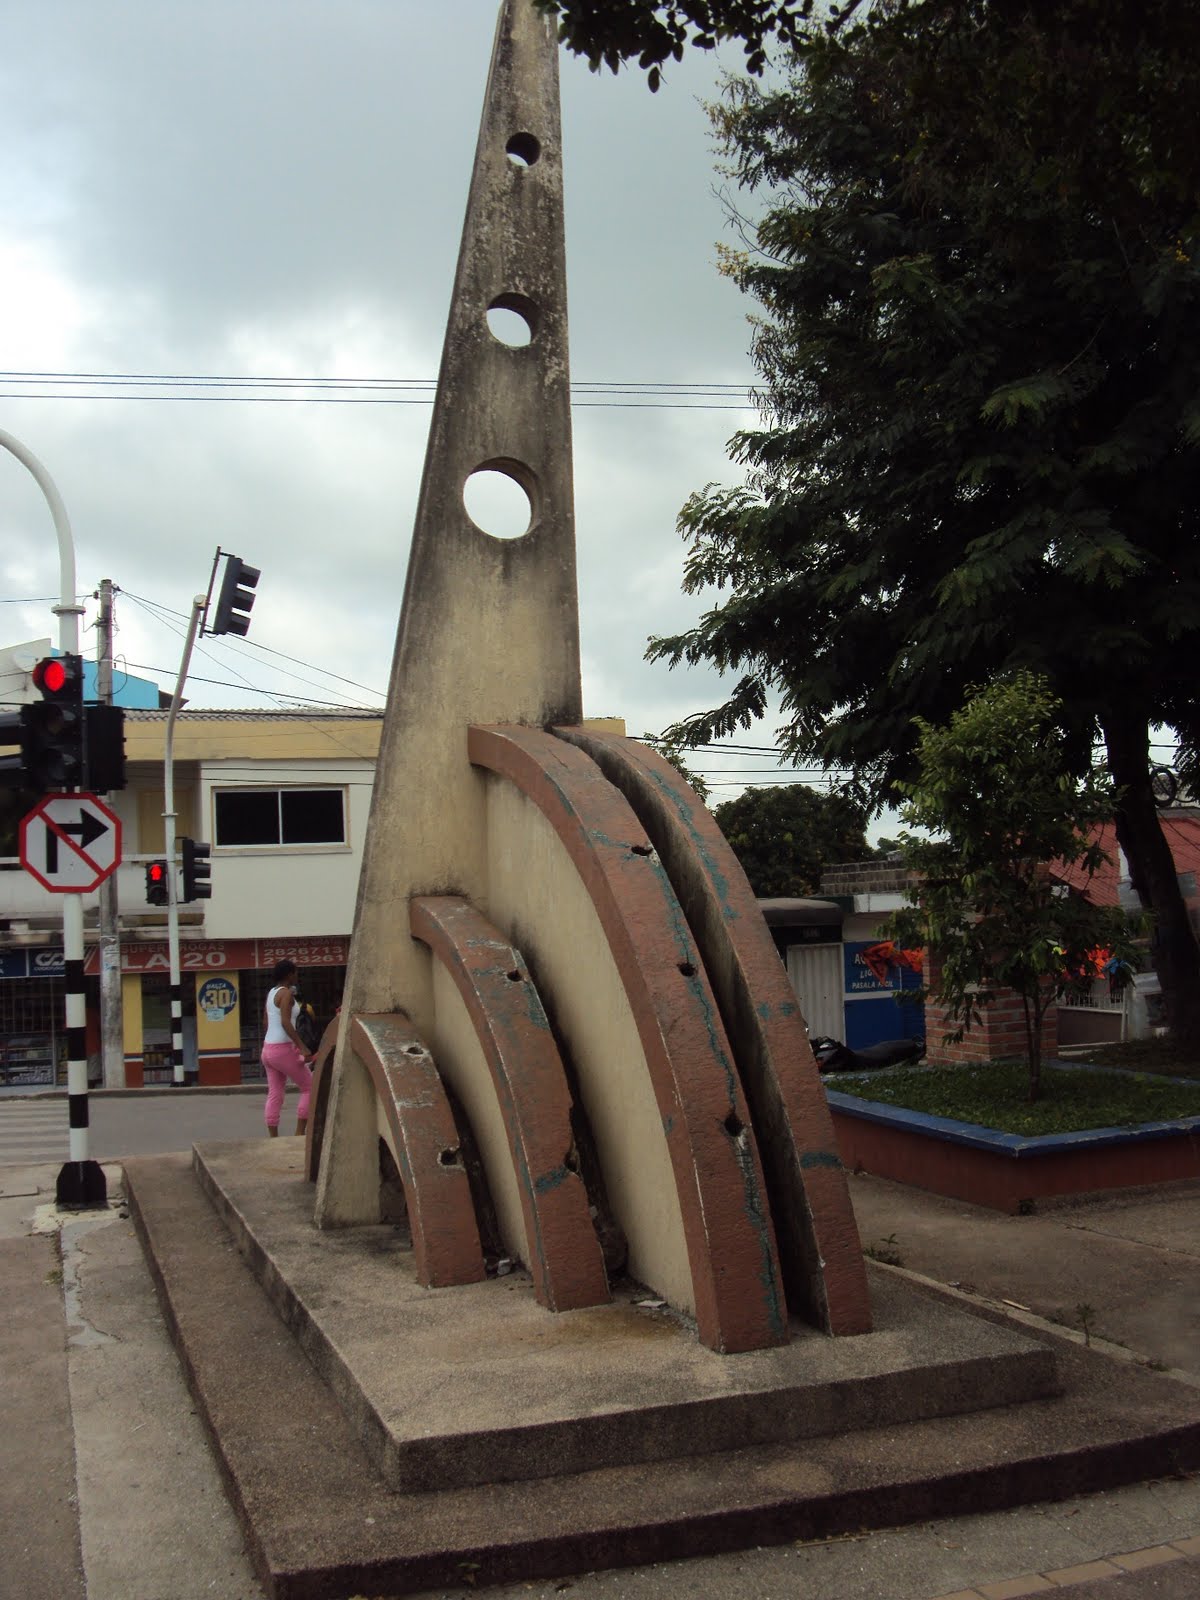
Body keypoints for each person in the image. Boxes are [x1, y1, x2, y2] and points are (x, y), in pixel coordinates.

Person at [260, 958, 314, 1137]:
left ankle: (273, 1137)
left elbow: (266, 1022)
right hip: (282, 1049)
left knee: (275, 1093)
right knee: (309, 1087)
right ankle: (299, 1133)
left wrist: (271, 1043)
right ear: (289, 974)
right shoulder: (286, 995)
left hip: (268, 1049)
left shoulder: (271, 993)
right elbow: (285, 1022)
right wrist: (302, 1046)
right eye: (295, 972)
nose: (297, 975)